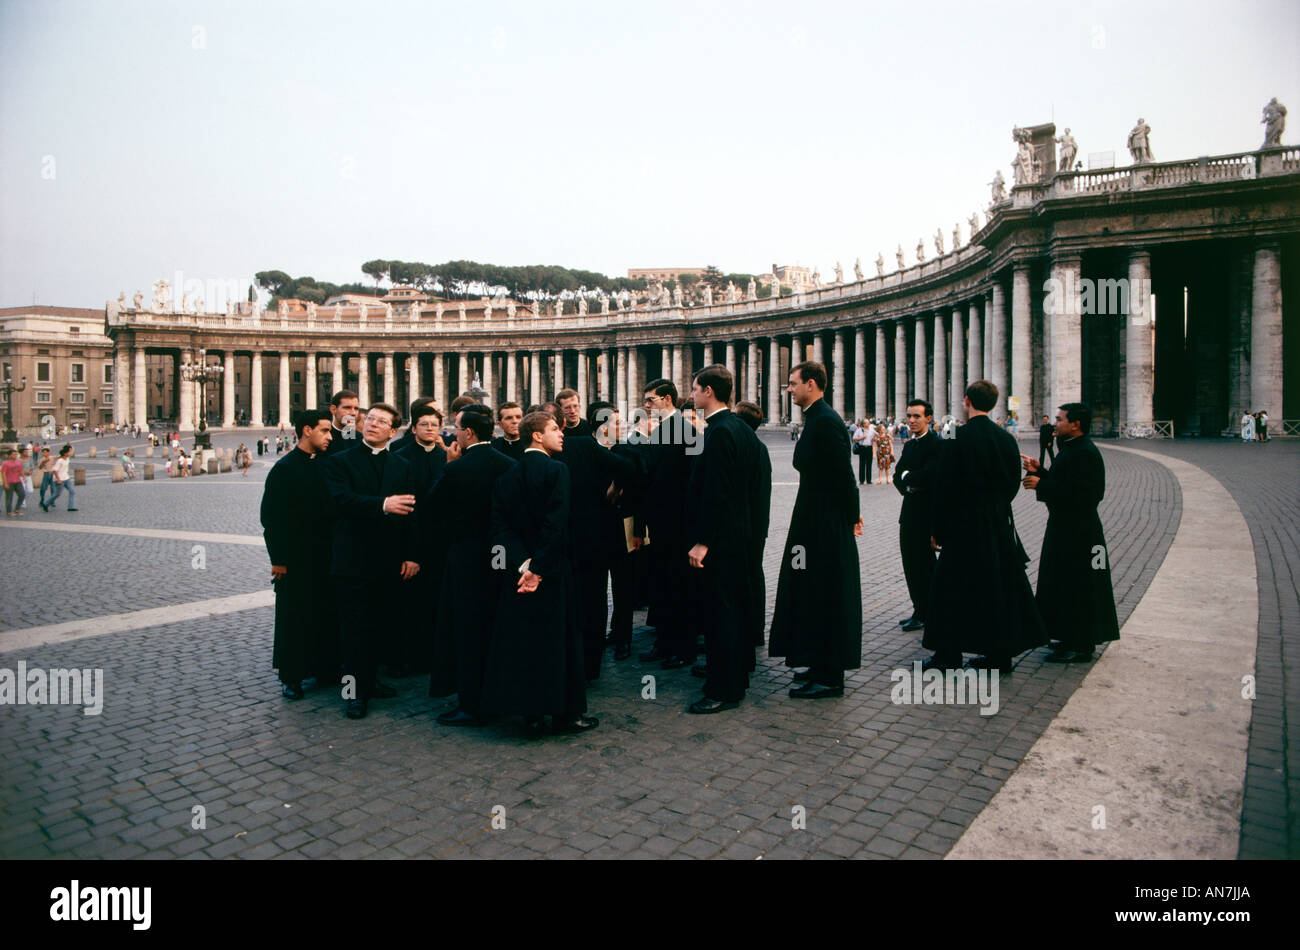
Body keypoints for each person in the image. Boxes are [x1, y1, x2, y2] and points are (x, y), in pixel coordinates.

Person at [480, 411, 596, 734]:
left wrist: (523, 565)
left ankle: (530, 713)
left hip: (518, 576)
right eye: (555, 429)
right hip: (554, 571)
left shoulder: (506, 475)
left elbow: (499, 529)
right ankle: (568, 713)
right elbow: (555, 525)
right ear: (536, 435)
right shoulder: (558, 470)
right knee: (562, 641)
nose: (562, 434)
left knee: (525, 644)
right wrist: (540, 568)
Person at [922, 380, 1047, 673]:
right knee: (995, 588)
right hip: (995, 525)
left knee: (949, 589)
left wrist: (937, 527)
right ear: (993, 404)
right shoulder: (1006, 438)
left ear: (967, 401)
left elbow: (943, 484)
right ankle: (998, 656)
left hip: (961, 526)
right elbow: (1011, 483)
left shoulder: (953, 432)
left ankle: (947, 655)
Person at [768, 361, 863, 698]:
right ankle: (815, 661)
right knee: (809, 587)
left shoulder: (825, 421)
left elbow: (844, 475)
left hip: (825, 523)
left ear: (811, 384)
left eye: (792, 384)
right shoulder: (816, 418)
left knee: (826, 590)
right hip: (812, 518)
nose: (788, 389)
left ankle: (830, 675)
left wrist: (853, 515)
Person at [321, 403, 421, 719]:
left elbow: (411, 515)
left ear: (393, 432)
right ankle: (354, 693)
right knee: (353, 629)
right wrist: (382, 504)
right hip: (352, 560)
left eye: (381, 422)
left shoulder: (402, 465)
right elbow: (339, 502)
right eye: (370, 419)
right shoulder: (339, 461)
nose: (372, 424)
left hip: (388, 559)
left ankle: (371, 681)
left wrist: (411, 555)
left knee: (379, 624)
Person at [427, 404, 517, 726]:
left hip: (465, 559)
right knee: (497, 625)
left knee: (466, 630)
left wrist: (449, 466)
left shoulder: (455, 469)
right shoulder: (510, 464)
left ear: (468, 432)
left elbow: (433, 512)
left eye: (456, 427)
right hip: (501, 556)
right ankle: (501, 695)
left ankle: (471, 704)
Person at [684, 365, 763, 713]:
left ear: (709, 392)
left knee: (721, 613)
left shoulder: (718, 433)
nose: (692, 395)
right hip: (739, 534)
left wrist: (703, 540)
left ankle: (723, 689)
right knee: (735, 608)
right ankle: (736, 673)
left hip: (720, 540)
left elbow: (717, 492)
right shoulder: (741, 430)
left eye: (695, 389)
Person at [1022, 402, 1120, 664]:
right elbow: (1065, 483)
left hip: (1081, 534)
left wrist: (1042, 484)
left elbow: (1088, 494)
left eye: (1059, 419)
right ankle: (1067, 635)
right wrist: (1040, 471)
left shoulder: (1085, 452)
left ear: (1075, 424)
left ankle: (1082, 644)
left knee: (1082, 585)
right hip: (1066, 528)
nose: (1055, 423)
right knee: (1063, 584)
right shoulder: (1072, 449)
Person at [261, 409, 339, 699]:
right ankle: (291, 675)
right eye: (325, 431)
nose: (330, 437)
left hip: (326, 554)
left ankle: (322, 667)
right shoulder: (284, 469)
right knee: (294, 616)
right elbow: (271, 518)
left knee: (324, 611)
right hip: (295, 557)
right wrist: (278, 560)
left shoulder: (328, 465)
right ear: (307, 430)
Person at [559, 400, 636, 680]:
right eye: (616, 422)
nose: (622, 426)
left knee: (624, 583)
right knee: (595, 589)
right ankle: (597, 639)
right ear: (601, 426)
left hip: (622, 526)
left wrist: (619, 491)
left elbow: (640, 482)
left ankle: (622, 635)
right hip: (591, 531)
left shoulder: (627, 450)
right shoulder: (580, 447)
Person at [637, 378, 700, 669]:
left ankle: (683, 648)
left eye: (651, 400)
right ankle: (664, 642)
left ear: (667, 400)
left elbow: (693, 483)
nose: (646, 405)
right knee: (662, 584)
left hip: (678, 525)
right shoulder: (662, 429)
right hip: (661, 524)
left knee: (680, 587)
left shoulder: (685, 431)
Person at [392, 403, 449, 676]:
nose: (429, 429)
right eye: (424, 424)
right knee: (407, 603)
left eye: (434, 425)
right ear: (413, 428)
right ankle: (406, 657)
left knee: (434, 599)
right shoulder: (399, 456)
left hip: (438, 541)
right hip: (410, 539)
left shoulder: (446, 456)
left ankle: (431, 655)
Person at [894, 400, 941, 634]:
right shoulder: (910, 446)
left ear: (929, 418)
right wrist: (909, 484)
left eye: (917, 416)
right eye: (909, 416)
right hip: (909, 513)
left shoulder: (937, 444)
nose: (911, 421)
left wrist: (908, 478)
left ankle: (929, 612)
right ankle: (918, 609)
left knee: (926, 566)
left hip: (927, 515)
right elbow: (897, 475)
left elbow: (930, 475)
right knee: (911, 564)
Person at [732, 401, 772, 669]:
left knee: (746, 579)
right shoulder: (759, 448)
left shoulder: (749, 449)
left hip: (748, 526)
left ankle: (749, 634)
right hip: (757, 524)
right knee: (753, 575)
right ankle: (755, 631)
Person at [323, 390, 362, 457]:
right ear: (333, 410)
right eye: (347, 408)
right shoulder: (322, 437)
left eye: (356, 408)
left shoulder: (361, 439)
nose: (353, 413)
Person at [46, 445, 78, 511]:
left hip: (66, 478)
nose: (70, 453)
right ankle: (46, 504)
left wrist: (69, 447)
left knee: (72, 491)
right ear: (65, 453)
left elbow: (69, 451)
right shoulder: (60, 461)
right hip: (60, 479)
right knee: (57, 494)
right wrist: (58, 479)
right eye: (69, 452)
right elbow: (54, 470)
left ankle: (70, 507)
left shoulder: (67, 459)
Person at [3, 450, 25, 517]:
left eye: (16, 454)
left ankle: (17, 509)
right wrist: (5, 483)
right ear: (9, 455)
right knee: (9, 497)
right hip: (9, 482)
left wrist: (23, 477)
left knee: (22, 494)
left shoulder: (18, 462)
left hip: (17, 481)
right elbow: (3, 473)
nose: (15, 456)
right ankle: (9, 512)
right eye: (14, 454)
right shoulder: (6, 463)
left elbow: (20, 470)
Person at [851, 419, 871, 485]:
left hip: (869, 448)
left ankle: (869, 480)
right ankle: (862, 480)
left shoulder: (871, 430)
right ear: (864, 424)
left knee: (869, 464)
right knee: (862, 464)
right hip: (862, 448)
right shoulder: (859, 430)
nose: (868, 424)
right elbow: (854, 438)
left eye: (869, 423)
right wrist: (862, 438)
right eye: (867, 423)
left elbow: (876, 436)